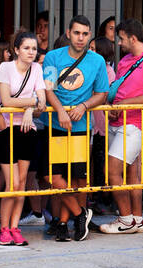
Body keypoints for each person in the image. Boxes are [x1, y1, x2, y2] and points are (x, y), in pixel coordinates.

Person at [42, 16, 110, 242]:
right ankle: (78, 215)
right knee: (55, 176)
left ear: (90, 35)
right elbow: (49, 89)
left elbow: (102, 93)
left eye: (85, 33)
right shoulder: (53, 57)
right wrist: (60, 111)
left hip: (81, 127)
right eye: (77, 33)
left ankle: (64, 222)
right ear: (68, 33)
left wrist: (83, 106)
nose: (80, 38)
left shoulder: (97, 61)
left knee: (76, 178)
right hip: (54, 125)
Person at [99, 19, 143, 235]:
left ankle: (125, 219)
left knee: (112, 169)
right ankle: (137, 218)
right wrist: (116, 107)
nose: (119, 43)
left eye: (121, 38)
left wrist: (124, 105)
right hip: (120, 120)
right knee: (132, 172)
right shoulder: (125, 61)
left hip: (137, 123)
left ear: (133, 38)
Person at [0, 31, 45, 245]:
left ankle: (15, 227)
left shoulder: (38, 69)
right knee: (12, 183)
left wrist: (30, 110)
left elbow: (41, 103)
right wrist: (30, 104)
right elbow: (6, 100)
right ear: (16, 50)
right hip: (6, 130)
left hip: (27, 129)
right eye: (26, 48)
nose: (31, 52)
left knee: (22, 182)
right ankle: (3, 228)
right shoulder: (6, 68)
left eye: (34, 48)